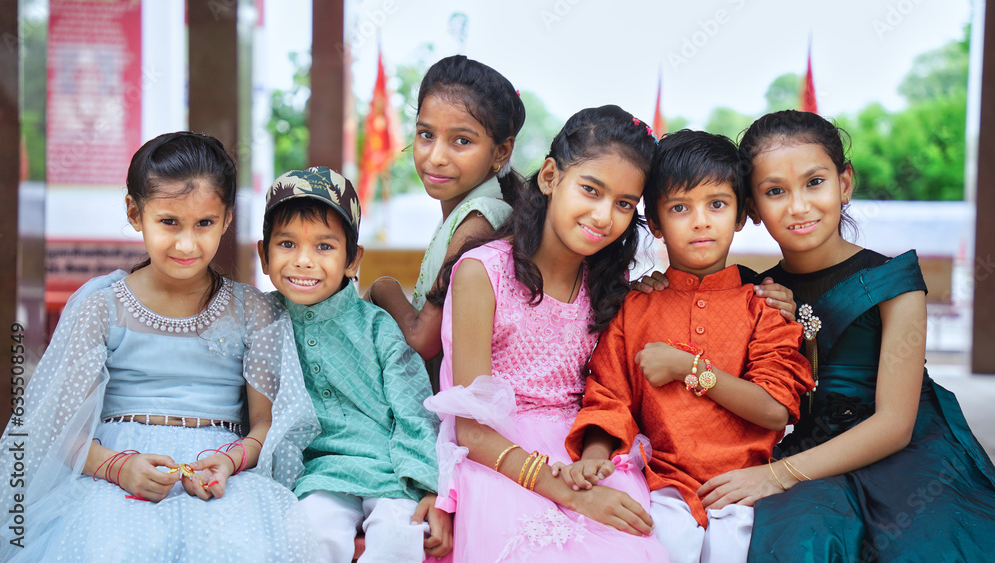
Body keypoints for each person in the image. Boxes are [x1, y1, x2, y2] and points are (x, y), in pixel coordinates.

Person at [0, 131, 321, 562]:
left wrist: (230, 460)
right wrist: (118, 467)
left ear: (226, 219)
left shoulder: (253, 311)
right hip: (111, 476)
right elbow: (62, 432)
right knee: (113, 549)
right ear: (135, 213)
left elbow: (266, 422)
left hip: (223, 478)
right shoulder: (102, 308)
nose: (187, 244)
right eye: (169, 222)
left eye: (204, 223)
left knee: (236, 549)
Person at [697, 110, 995, 561]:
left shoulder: (894, 283)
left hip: (908, 454)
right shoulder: (752, 293)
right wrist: (655, 287)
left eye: (814, 182)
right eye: (775, 191)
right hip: (810, 451)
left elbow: (895, 425)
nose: (798, 206)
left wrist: (775, 476)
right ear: (752, 208)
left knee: (926, 544)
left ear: (845, 183)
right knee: (802, 542)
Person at [424, 105, 668, 562]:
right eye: (591, 190)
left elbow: (611, 389)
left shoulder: (609, 284)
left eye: (623, 204)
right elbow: (472, 432)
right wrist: (573, 496)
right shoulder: (483, 273)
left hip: (587, 452)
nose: (603, 216)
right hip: (500, 460)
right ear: (551, 176)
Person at [564, 129, 813, 563]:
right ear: (655, 223)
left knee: (737, 549)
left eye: (717, 204)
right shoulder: (636, 307)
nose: (701, 222)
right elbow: (609, 397)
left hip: (746, 484)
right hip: (661, 482)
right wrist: (593, 455)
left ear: (741, 214)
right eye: (680, 208)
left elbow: (775, 409)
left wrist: (689, 368)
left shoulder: (764, 307)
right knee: (662, 544)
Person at [256, 166, 450, 562]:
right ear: (263, 254)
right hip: (317, 474)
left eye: (324, 247)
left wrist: (429, 485)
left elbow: (414, 410)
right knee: (311, 537)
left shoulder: (376, 327)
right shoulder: (262, 322)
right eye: (287, 244)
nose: (304, 261)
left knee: (400, 539)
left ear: (352, 259)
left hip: (390, 470)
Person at [365, 55, 526, 384]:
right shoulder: (466, 210)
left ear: (501, 152)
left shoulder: (479, 219)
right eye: (426, 135)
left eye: (462, 141)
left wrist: (383, 287)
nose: (436, 157)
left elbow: (422, 339)